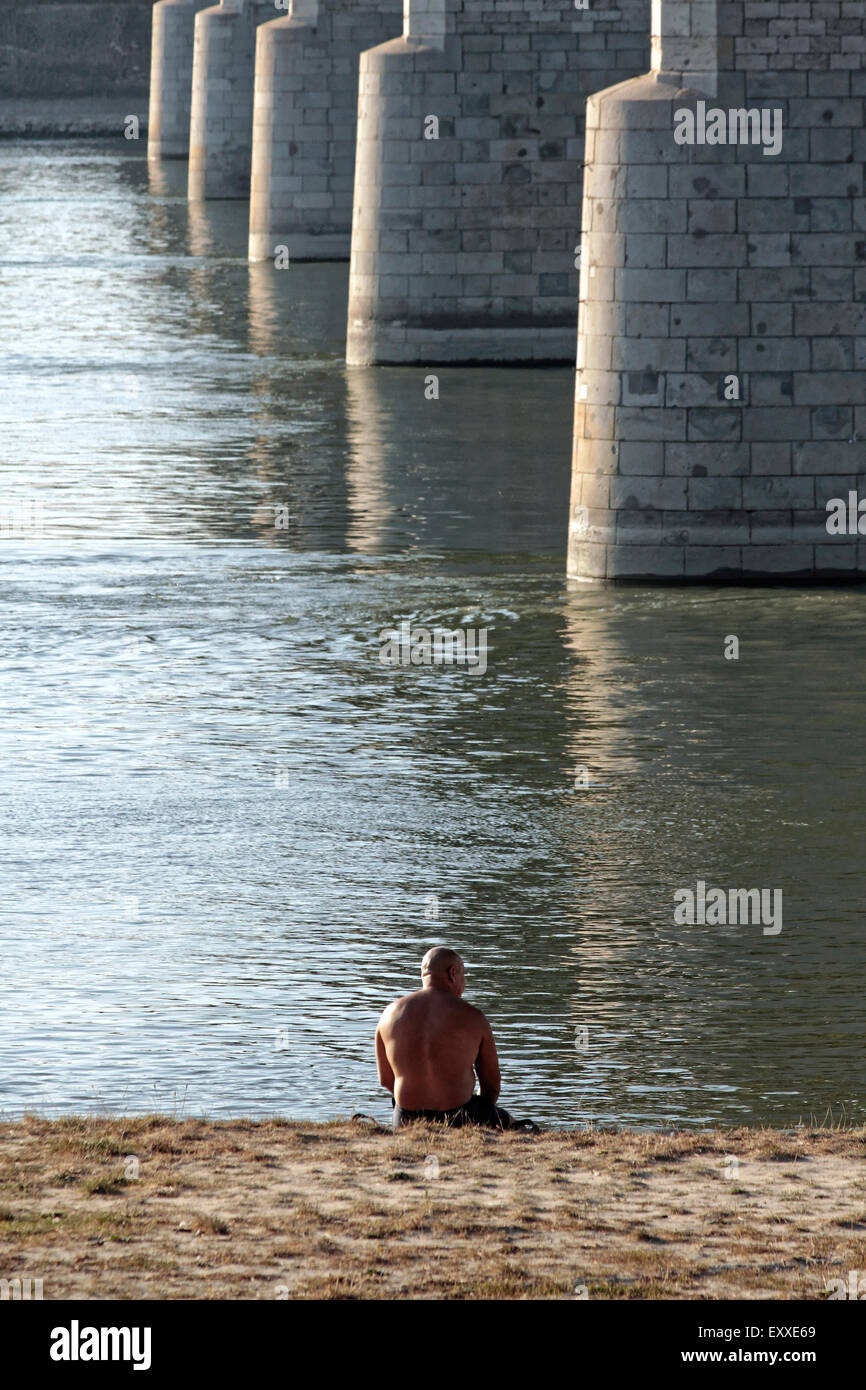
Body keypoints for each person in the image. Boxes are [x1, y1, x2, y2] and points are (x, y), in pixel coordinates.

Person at [375, 947, 516, 1130]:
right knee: (512, 1122)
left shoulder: (388, 1015)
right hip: (461, 1118)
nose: (464, 984)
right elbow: (491, 1088)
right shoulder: (473, 1017)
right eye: (464, 975)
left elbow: (386, 1080)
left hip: (406, 1119)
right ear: (453, 973)